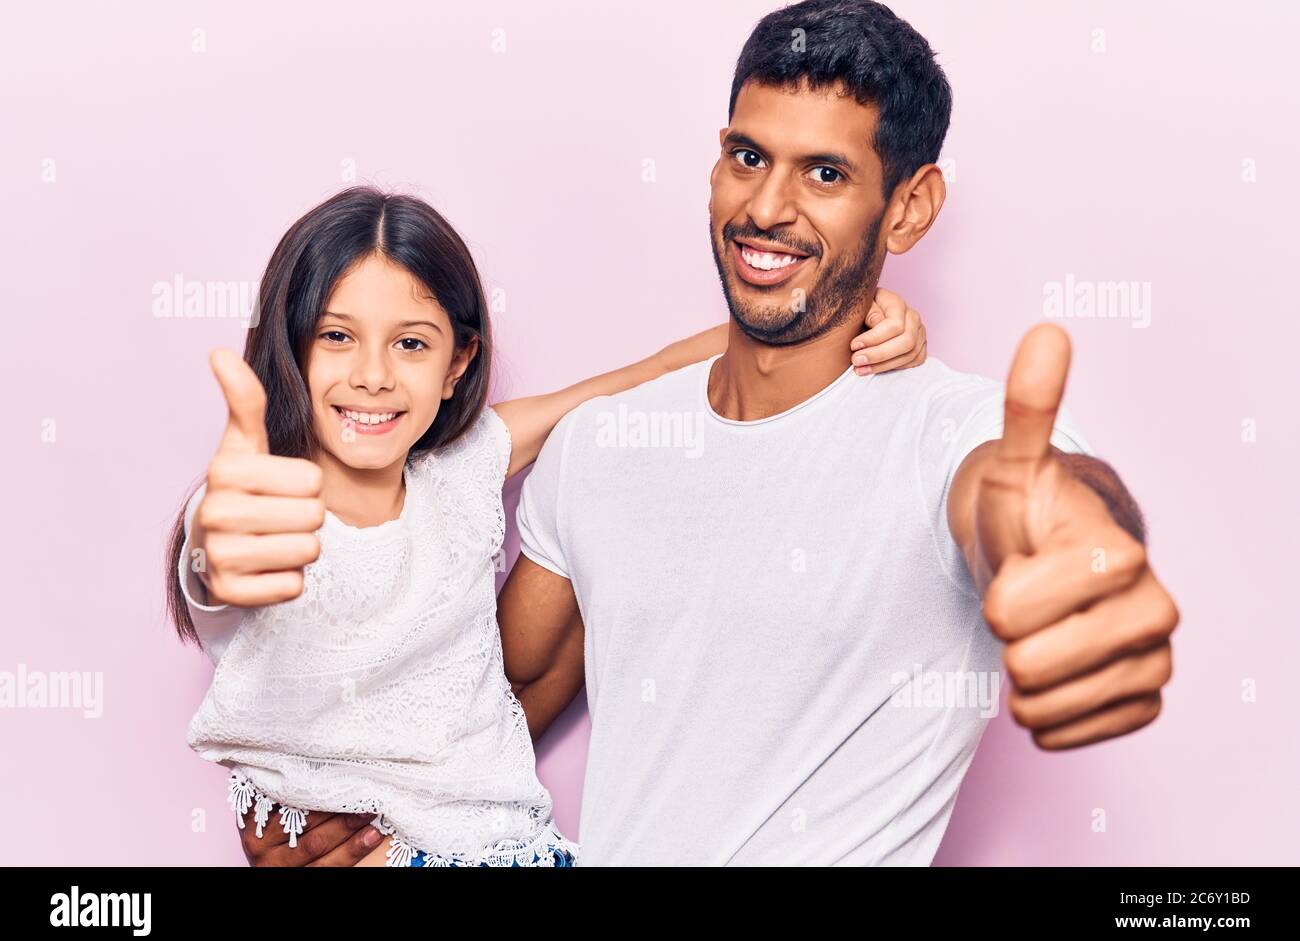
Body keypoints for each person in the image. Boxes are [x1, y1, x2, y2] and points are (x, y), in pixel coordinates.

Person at [494, 0, 1178, 865]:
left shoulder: (951, 434)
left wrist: (1077, 546)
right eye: (747, 158)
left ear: (909, 207)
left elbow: (1027, 501)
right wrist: (334, 805)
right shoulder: (599, 447)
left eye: (824, 174)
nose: (767, 208)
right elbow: (499, 707)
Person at [166, 186, 930, 865]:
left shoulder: (463, 468)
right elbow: (220, 558)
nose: (373, 374)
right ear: (290, 345)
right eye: (336, 336)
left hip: (511, 847)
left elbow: (643, 377)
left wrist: (846, 315)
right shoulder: (262, 513)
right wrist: (213, 555)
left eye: (410, 343)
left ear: (459, 363)